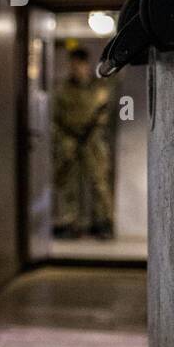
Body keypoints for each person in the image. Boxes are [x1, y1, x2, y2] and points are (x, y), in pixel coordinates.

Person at [53, 46, 115, 239]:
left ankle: (103, 222)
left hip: (92, 141)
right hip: (69, 141)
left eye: (79, 65)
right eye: (72, 65)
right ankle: (71, 222)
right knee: (69, 183)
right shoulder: (63, 90)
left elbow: (103, 114)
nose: (75, 69)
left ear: (86, 66)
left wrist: (91, 132)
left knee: (98, 181)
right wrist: (64, 139)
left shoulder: (98, 88)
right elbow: (56, 118)